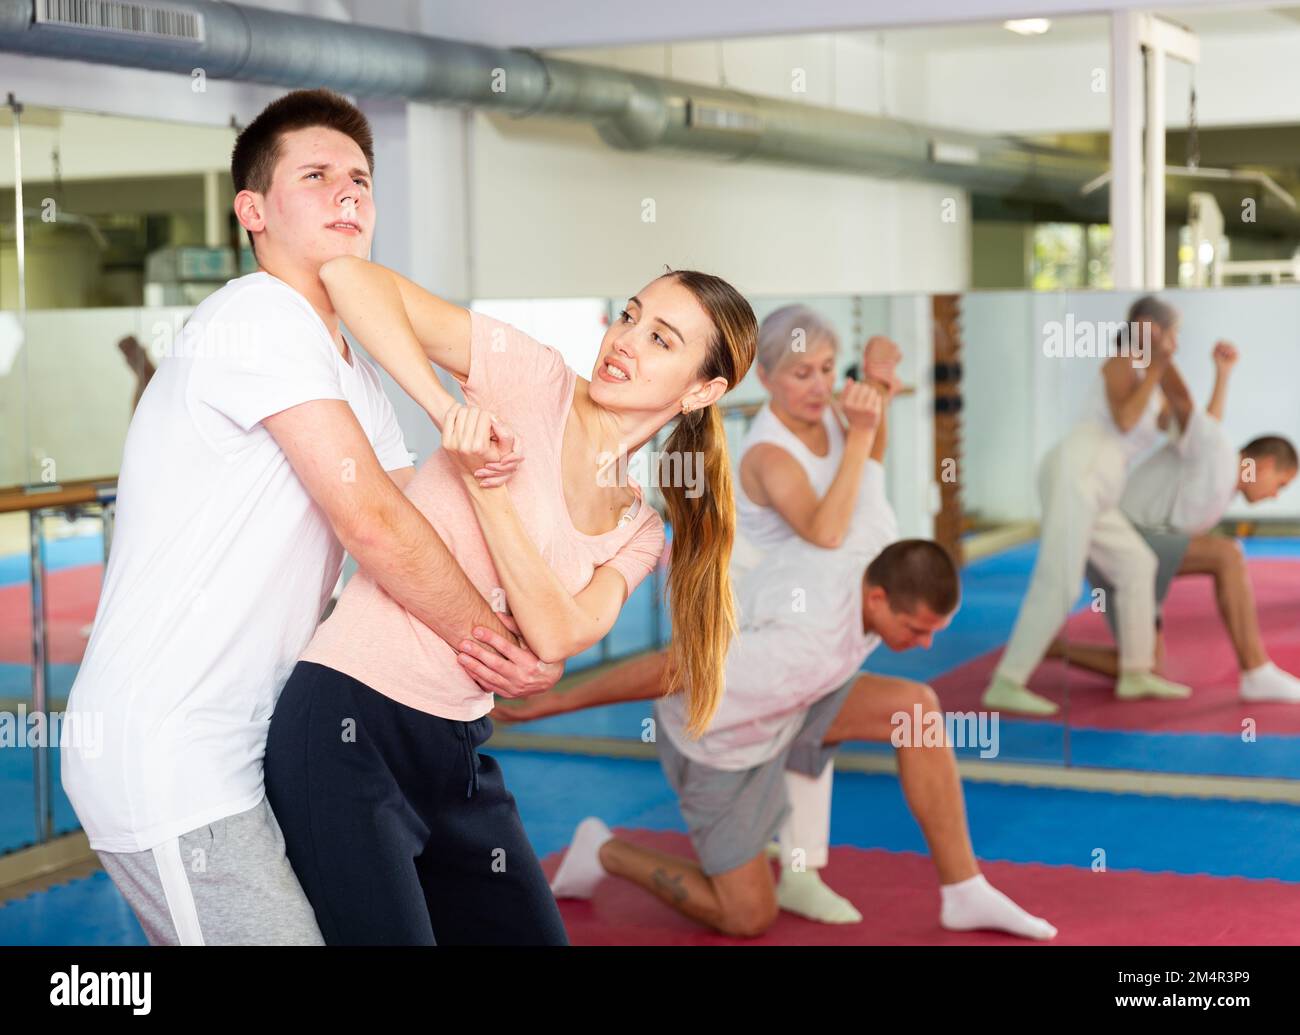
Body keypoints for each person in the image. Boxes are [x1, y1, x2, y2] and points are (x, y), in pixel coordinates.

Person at [59, 89, 561, 947]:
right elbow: (372, 523)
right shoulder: (258, 316)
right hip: (171, 756)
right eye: (318, 176)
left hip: (254, 748)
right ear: (252, 210)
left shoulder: (351, 368)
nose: (348, 196)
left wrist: (557, 581)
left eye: (361, 180)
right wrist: (498, 644)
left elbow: (423, 518)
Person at [263, 255, 758, 945]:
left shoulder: (637, 528)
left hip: (457, 751)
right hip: (348, 723)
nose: (625, 341)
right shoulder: (535, 376)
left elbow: (557, 633)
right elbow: (348, 278)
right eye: (630, 315)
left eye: (660, 340)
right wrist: (444, 408)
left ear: (703, 391)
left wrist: (484, 486)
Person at [522, 538, 1056, 941]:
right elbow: (676, 668)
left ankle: (963, 890)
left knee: (915, 709)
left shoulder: (867, 553)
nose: (924, 645)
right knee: (747, 917)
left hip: (792, 706)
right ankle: (603, 851)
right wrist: (560, 700)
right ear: (876, 597)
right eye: (916, 630)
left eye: (935, 630)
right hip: (719, 745)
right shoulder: (803, 649)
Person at [1048, 341, 1300, 701]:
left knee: (1145, 664)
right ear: (1267, 465)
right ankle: (1256, 671)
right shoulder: (1217, 453)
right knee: (1227, 555)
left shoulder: (1217, 467)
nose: (1276, 495)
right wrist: (1155, 347)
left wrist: (1223, 375)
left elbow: (1207, 424)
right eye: (1281, 484)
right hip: (1118, 537)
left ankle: (1048, 648)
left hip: (1126, 555)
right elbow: (1184, 405)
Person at [982, 296, 1194, 716]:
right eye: (1172, 332)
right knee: (1060, 581)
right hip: (1076, 471)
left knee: (1137, 565)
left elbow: (1187, 425)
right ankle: (1006, 681)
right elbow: (1126, 421)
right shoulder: (1121, 362)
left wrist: (1189, 370)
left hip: (1099, 487)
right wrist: (1154, 364)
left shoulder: (1154, 379)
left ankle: (1135, 672)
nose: (1176, 341)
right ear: (1151, 328)